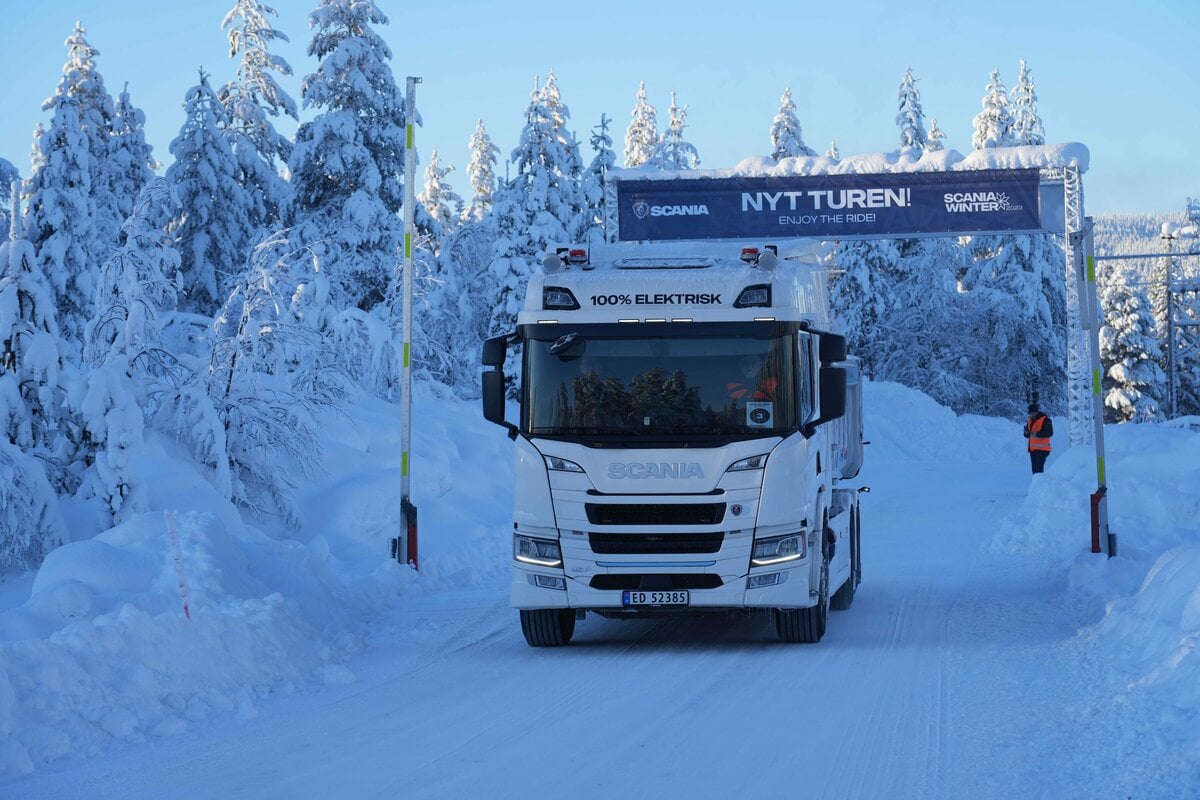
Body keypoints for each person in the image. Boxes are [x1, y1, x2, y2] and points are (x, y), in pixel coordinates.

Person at [1023, 403, 1053, 474]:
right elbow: (1027, 435)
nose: (1031, 415)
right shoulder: (1030, 421)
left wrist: (1037, 434)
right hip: (1033, 450)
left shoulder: (1045, 420)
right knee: (1034, 471)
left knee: (1038, 471)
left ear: (1037, 412)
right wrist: (1026, 433)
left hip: (1042, 450)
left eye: (1033, 413)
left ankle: (1040, 484)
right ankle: (1037, 484)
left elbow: (1050, 433)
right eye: (1030, 413)